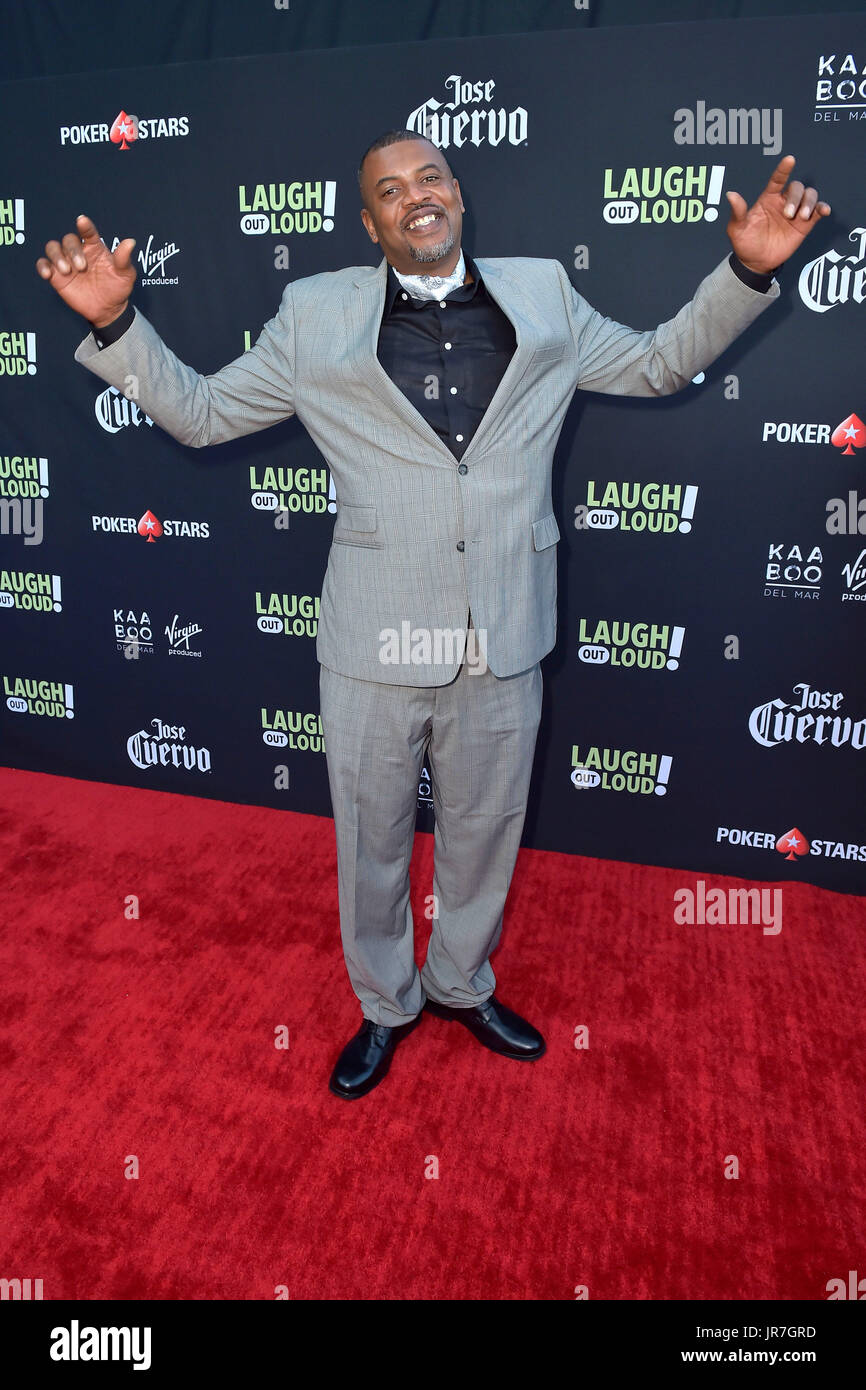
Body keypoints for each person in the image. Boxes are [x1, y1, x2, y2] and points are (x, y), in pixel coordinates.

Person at [37, 131, 830, 1100]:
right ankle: (385, 1002)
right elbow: (204, 416)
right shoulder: (313, 309)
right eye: (388, 189)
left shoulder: (539, 290)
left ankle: (459, 980)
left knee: (484, 825)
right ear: (369, 222)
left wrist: (744, 271)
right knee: (368, 837)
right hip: (372, 630)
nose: (415, 196)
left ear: (457, 195)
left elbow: (658, 366)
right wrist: (119, 329)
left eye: (429, 177)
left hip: (504, 621)